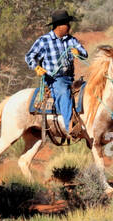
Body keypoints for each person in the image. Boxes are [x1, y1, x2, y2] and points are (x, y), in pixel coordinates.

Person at [25, 10, 89, 140]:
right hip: (53, 79)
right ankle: (70, 127)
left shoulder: (71, 40)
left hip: (70, 78)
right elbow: (29, 56)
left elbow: (84, 53)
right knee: (63, 93)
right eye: (67, 23)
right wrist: (36, 67)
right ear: (60, 25)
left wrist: (78, 52)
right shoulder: (44, 41)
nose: (69, 26)